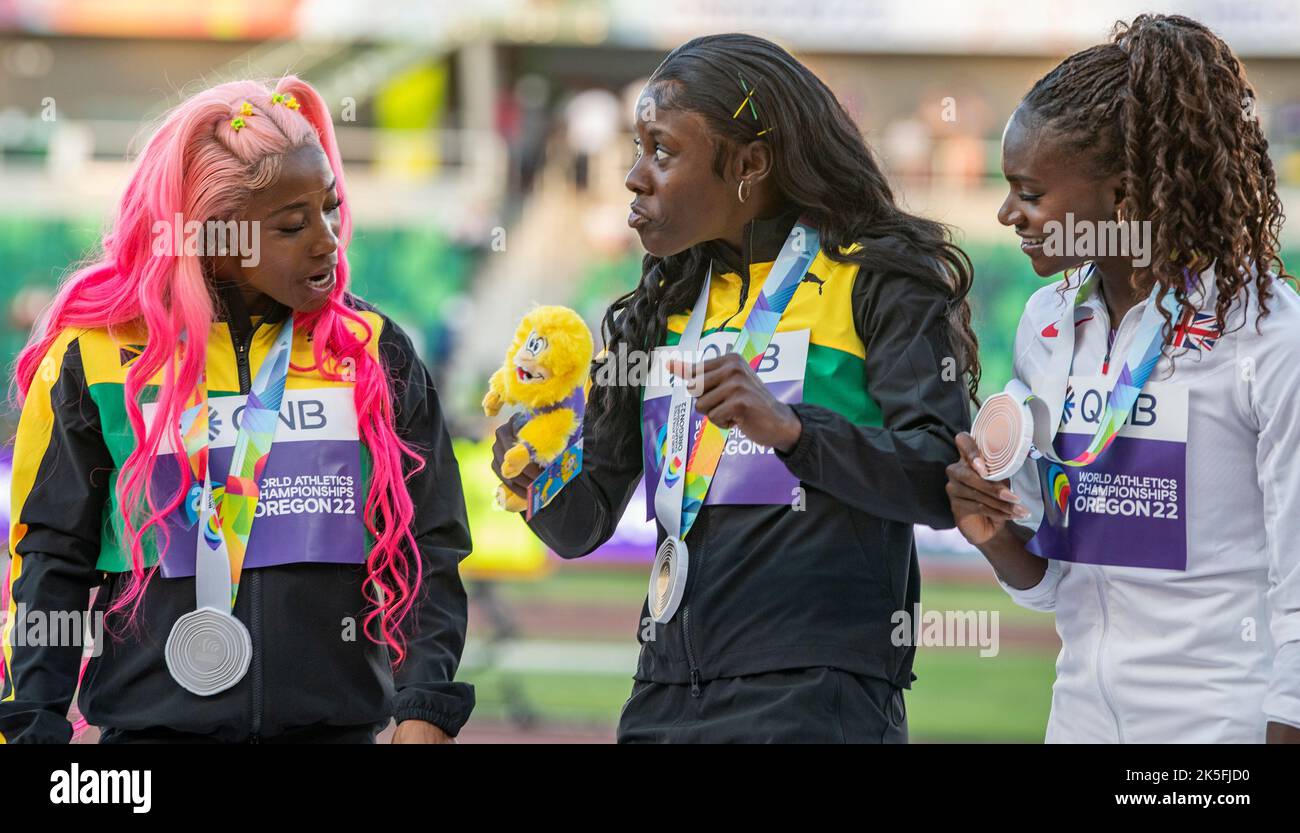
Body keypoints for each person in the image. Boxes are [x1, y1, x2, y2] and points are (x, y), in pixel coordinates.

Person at [493, 33, 977, 742]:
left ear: (750, 164)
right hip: (662, 694)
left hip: (815, 699)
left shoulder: (876, 280)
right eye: (636, 148)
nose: (633, 176)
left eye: (662, 151)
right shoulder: (659, 309)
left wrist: (794, 430)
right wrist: (532, 473)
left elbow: (940, 478)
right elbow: (586, 519)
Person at [0, 78, 474, 744]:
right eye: (291, 224)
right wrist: (30, 729)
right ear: (214, 236)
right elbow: (48, 562)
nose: (327, 240)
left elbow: (430, 544)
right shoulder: (96, 359)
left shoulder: (372, 353)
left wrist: (425, 708)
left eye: (330, 208)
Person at [945, 14, 1300, 743]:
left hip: (1218, 729)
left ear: (1124, 196)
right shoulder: (1048, 322)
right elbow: (1060, 586)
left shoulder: (1266, 334)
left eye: (1031, 191)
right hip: (1078, 718)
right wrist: (997, 536)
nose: (1007, 212)